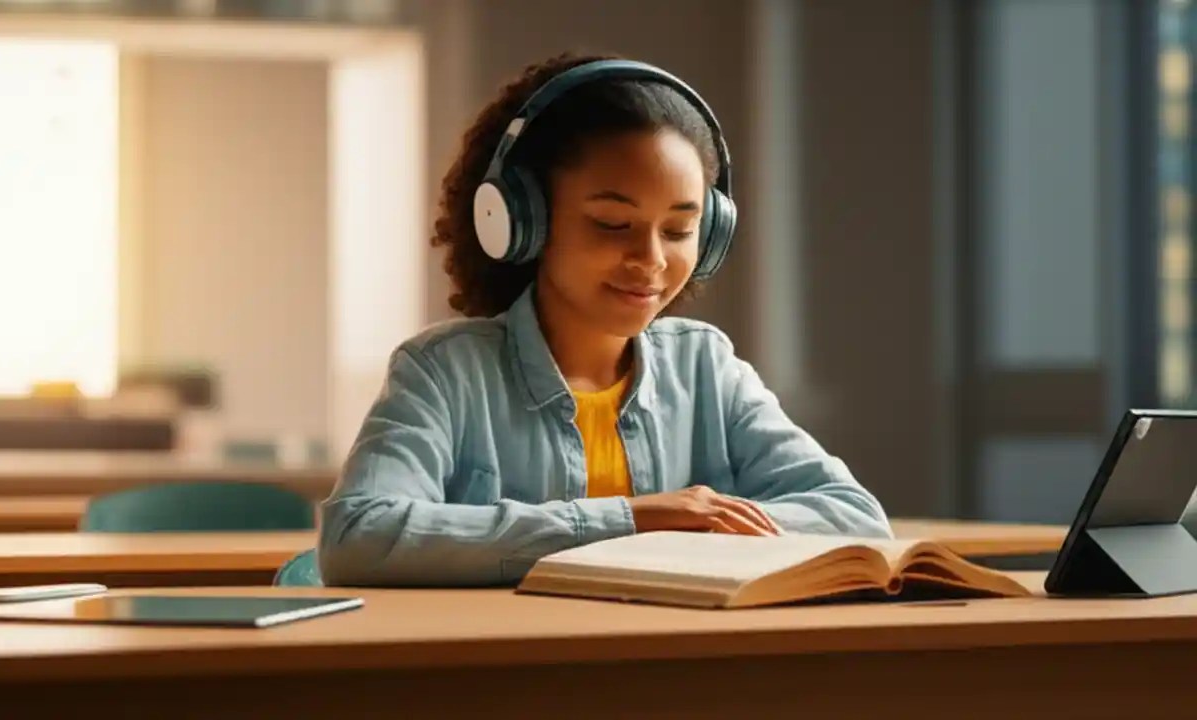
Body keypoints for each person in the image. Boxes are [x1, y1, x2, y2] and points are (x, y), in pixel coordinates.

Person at [319, 53, 891, 587]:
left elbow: (854, 516)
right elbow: (358, 537)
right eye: (613, 225)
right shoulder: (445, 372)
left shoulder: (705, 367)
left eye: (679, 230)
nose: (652, 259)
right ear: (521, 220)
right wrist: (629, 521)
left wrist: (699, 527)